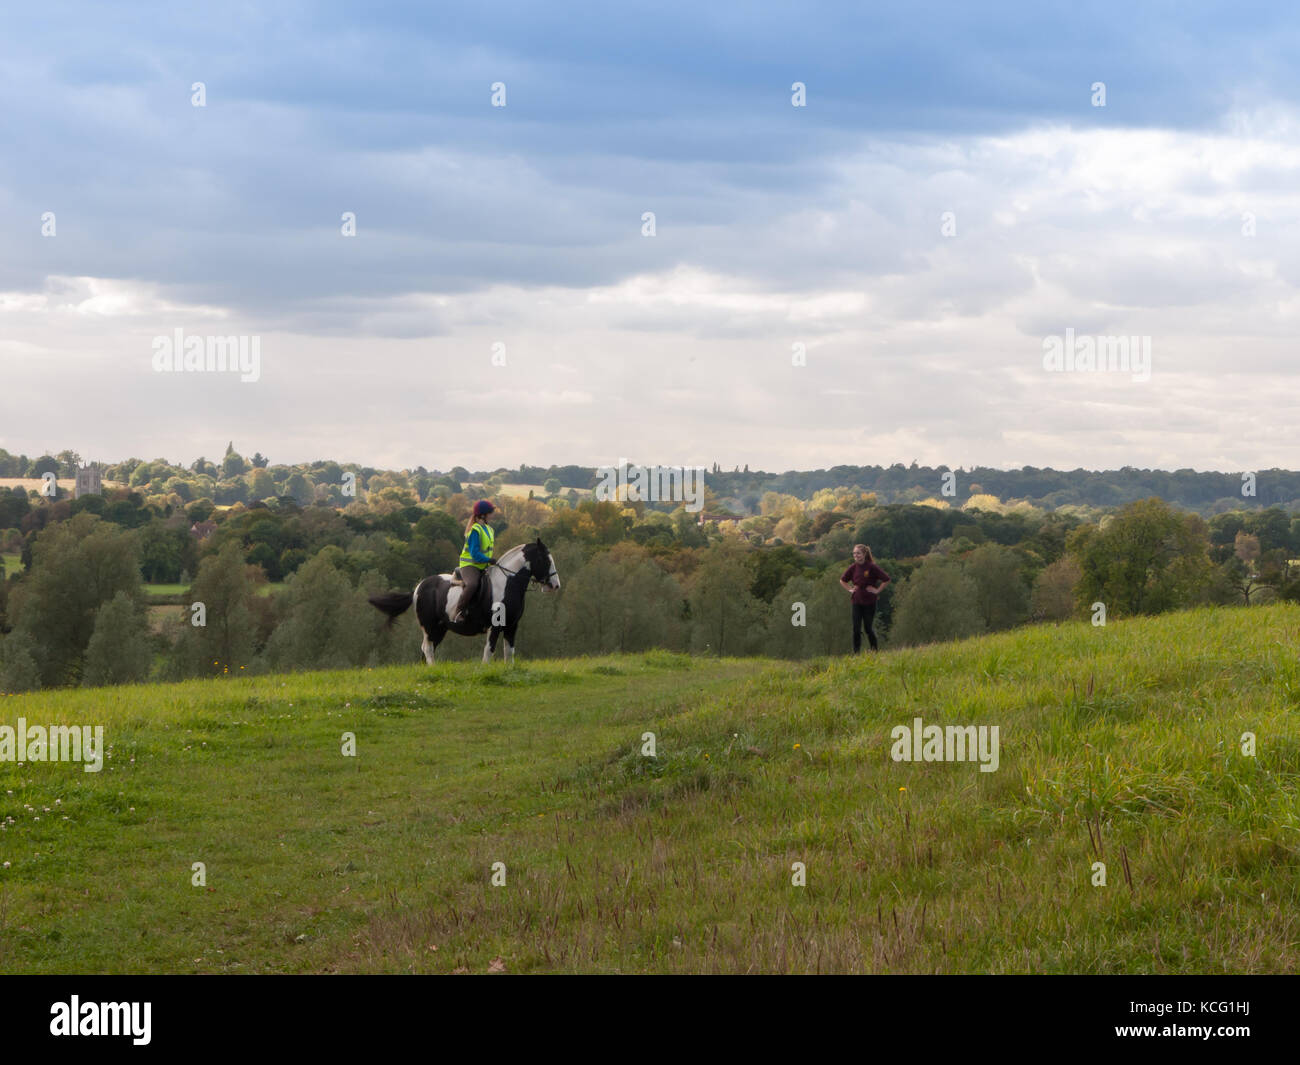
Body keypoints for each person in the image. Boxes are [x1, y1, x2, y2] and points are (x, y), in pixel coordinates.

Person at [452, 500, 497, 622]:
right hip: (470, 565)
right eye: (490, 512)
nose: (492, 515)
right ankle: (458, 612)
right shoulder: (475, 530)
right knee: (473, 584)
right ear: (483, 515)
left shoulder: (490, 530)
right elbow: (475, 554)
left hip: (484, 565)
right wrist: (489, 560)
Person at [840, 544, 890, 653]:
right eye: (854, 553)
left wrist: (877, 591)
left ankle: (874, 651)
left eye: (858, 553)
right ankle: (856, 653)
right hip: (856, 601)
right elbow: (842, 580)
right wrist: (850, 589)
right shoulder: (853, 567)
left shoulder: (872, 567)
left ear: (864, 554)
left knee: (868, 628)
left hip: (869, 602)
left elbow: (886, 579)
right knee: (856, 629)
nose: (856, 555)